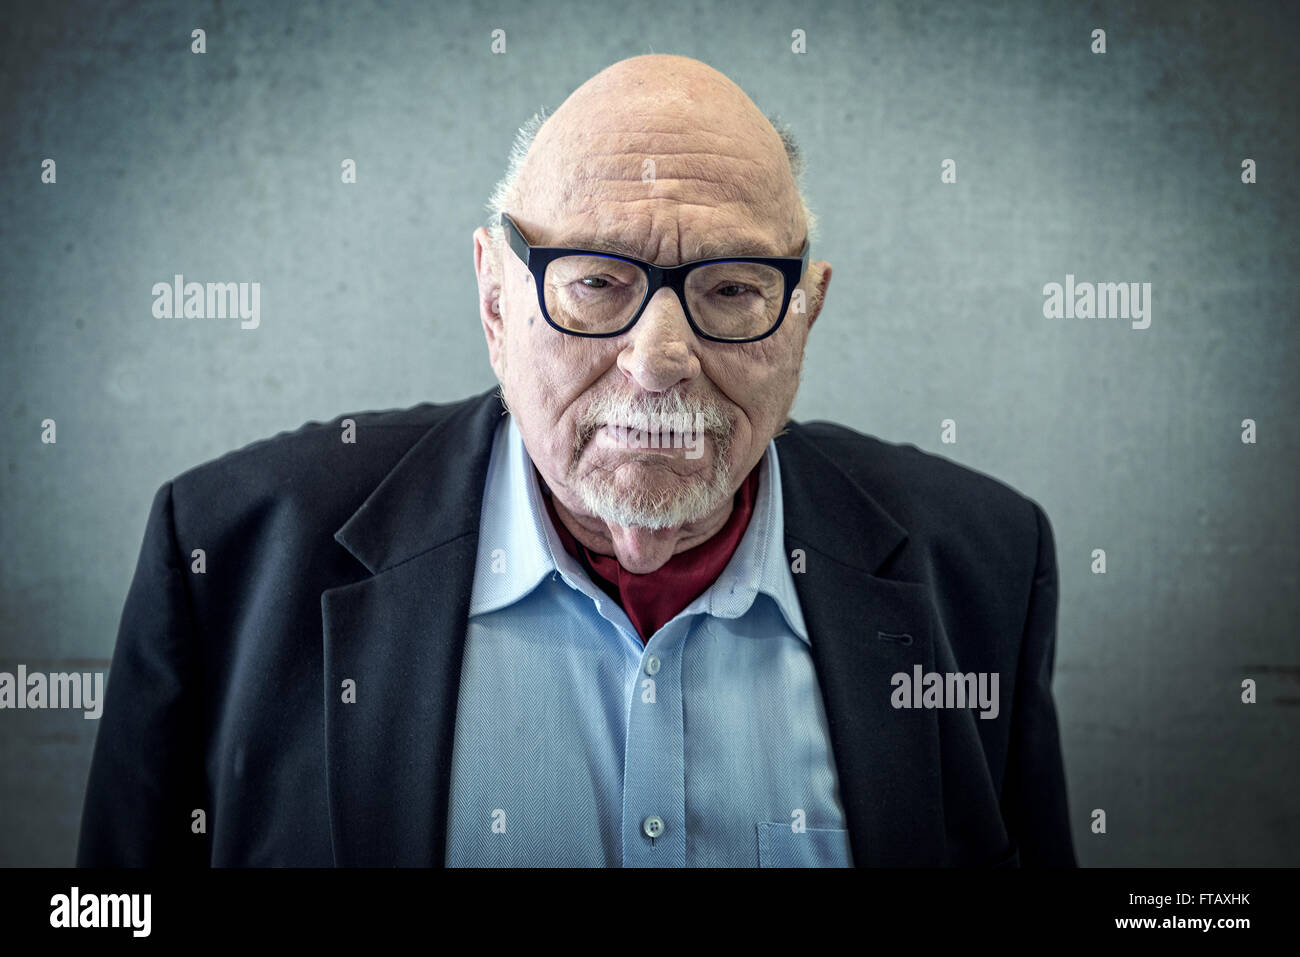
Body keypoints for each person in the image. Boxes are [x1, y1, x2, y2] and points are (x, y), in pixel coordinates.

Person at [78, 54, 1075, 867]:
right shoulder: (226, 554)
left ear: (805, 308)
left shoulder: (980, 563)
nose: (657, 363)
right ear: (496, 299)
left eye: (731, 290)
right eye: (595, 281)